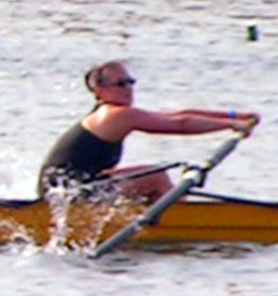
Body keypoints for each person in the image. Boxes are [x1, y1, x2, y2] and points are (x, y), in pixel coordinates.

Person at [38, 60, 259, 202]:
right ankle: (179, 223)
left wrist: (235, 116)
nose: (129, 89)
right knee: (156, 177)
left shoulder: (115, 113)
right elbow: (180, 125)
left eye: (130, 82)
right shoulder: (115, 115)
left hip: (73, 188)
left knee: (149, 174)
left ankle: (165, 219)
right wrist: (231, 125)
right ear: (99, 91)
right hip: (65, 197)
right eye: (121, 84)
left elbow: (178, 115)